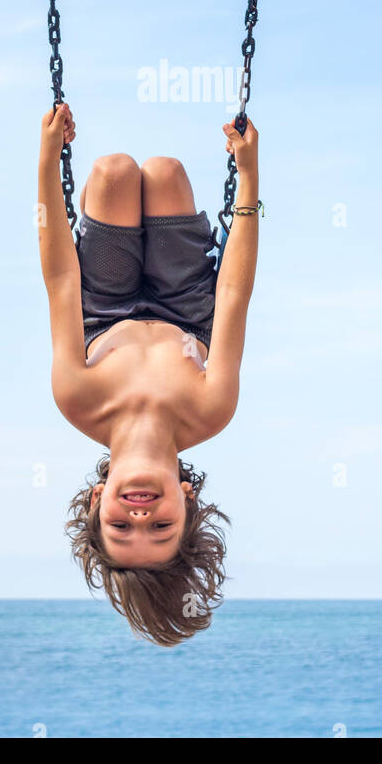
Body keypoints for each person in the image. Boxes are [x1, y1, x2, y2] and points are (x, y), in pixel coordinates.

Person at [37, 103, 261, 645]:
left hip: (104, 306)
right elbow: (233, 293)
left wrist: (47, 162)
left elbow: (63, 281)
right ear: (187, 502)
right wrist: (250, 175)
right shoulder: (212, 409)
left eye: (121, 527)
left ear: (96, 501)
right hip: (183, 304)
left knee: (113, 173)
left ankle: (104, 188)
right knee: (164, 173)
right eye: (161, 528)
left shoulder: (77, 399)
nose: (141, 516)